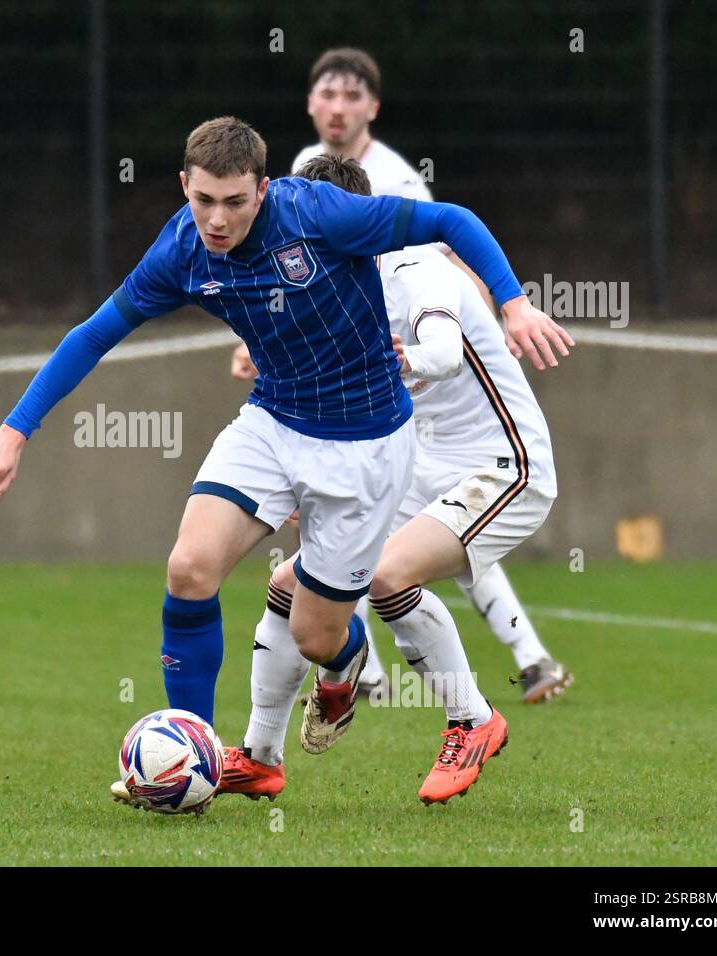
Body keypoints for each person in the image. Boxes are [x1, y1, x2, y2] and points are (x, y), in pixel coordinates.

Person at [0, 116, 570, 809]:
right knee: (190, 569)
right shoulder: (182, 249)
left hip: (367, 448)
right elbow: (95, 333)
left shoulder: (319, 213)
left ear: (264, 188)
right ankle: (197, 751)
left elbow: (453, 221)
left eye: (235, 202)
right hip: (273, 423)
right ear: (183, 187)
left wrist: (515, 303)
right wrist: (14, 431)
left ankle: (343, 665)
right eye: (203, 201)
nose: (217, 220)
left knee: (316, 633)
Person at [223, 155, 562, 806]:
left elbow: (443, 346)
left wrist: (408, 354)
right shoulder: (335, 293)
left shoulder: (415, 266)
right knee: (290, 586)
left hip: (505, 464)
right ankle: (261, 755)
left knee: (386, 577)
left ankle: (473, 720)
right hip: (420, 467)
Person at [241, 46, 572, 703]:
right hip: (407, 407)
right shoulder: (304, 175)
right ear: (311, 105)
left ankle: (482, 685)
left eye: (351, 98)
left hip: (443, 389)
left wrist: (500, 307)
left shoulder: (394, 189)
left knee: (408, 549)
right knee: (348, 542)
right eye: (326, 97)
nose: (337, 108)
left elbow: (444, 244)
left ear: (372, 108)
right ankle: (328, 697)